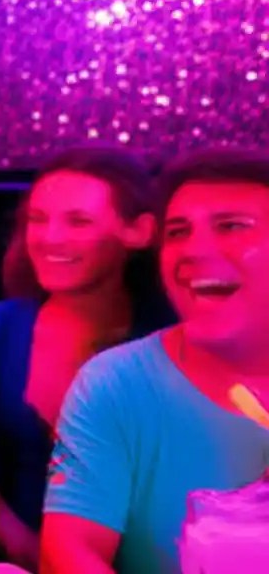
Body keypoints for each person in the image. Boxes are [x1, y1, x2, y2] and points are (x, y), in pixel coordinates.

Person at [42, 148, 269, 574]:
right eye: (178, 232)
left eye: (232, 226)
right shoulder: (114, 385)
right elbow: (70, 553)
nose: (195, 250)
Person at [0, 146, 171, 569]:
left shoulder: (172, 336)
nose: (50, 238)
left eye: (78, 221)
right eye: (38, 219)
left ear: (139, 231)